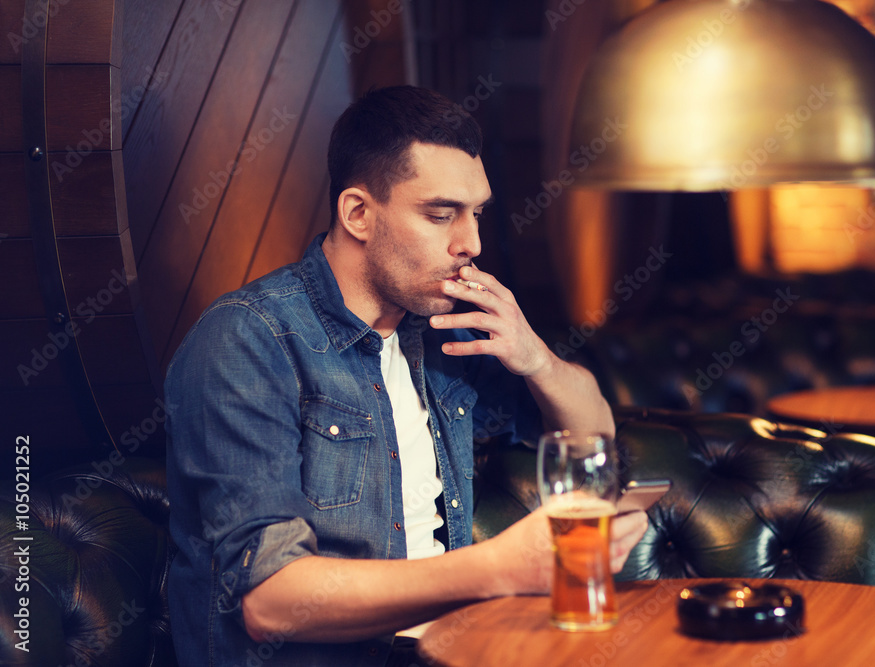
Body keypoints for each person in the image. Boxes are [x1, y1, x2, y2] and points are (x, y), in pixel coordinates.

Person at [165, 85, 648, 666]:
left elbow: (594, 433)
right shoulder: (248, 339)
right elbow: (270, 602)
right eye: (441, 214)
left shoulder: (444, 331)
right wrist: (496, 568)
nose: (469, 243)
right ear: (359, 214)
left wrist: (535, 356)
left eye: (475, 215)